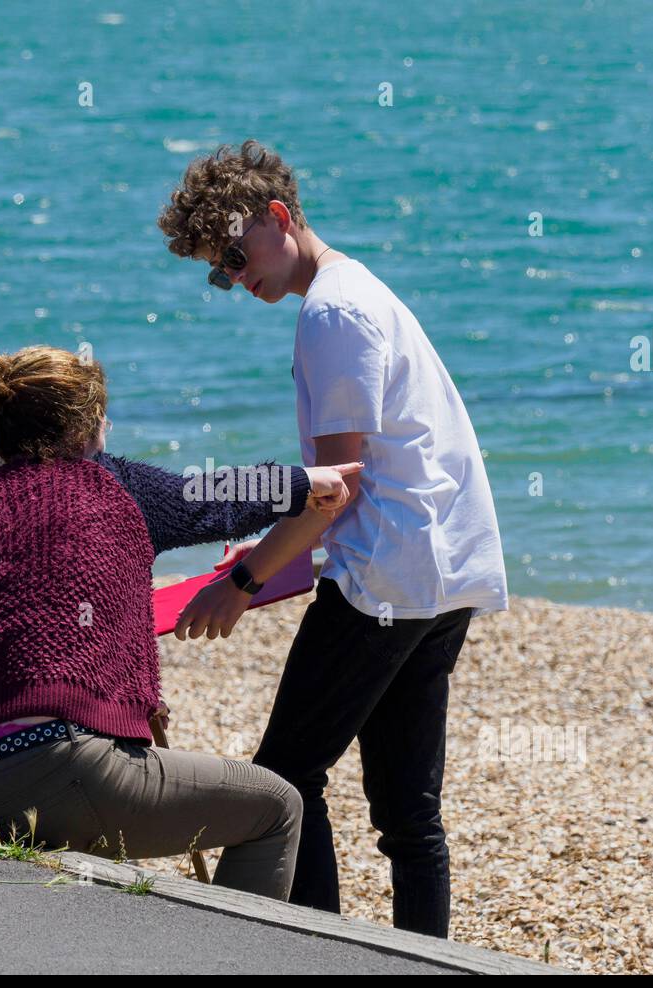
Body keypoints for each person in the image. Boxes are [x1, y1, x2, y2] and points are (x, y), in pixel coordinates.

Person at [157, 139, 510, 936]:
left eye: (238, 255)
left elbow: (336, 487)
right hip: (438, 575)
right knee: (409, 812)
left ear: (280, 218)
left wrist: (241, 584)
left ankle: (324, 953)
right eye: (219, 269)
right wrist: (267, 559)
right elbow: (361, 481)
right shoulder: (357, 292)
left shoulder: (334, 312)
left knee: (285, 777)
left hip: (385, 578)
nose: (236, 278)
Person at [0, 343, 358, 901]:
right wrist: (311, 482)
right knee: (276, 806)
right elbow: (212, 498)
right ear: (91, 427)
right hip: (47, 776)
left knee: (76, 773)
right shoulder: (111, 485)